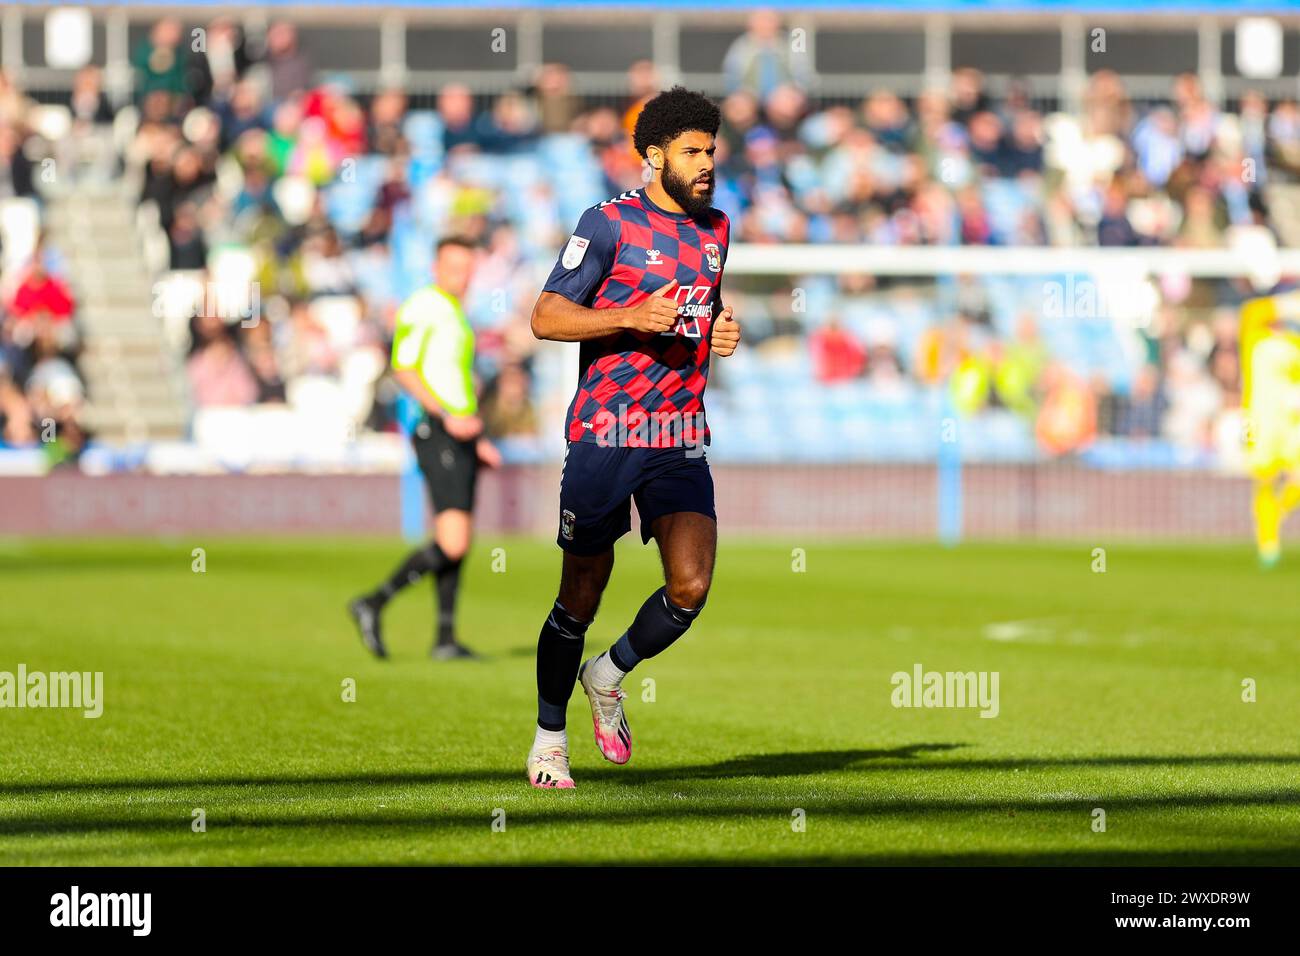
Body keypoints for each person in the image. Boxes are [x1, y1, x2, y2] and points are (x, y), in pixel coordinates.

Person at [523, 87, 741, 789]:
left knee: (692, 585)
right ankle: (548, 740)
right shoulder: (608, 224)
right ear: (654, 156)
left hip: (678, 432)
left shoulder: (718, 230)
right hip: (607, 434)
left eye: (711, 149)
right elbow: (547, 316)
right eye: (692, 151)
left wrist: (722, 329)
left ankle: (608, 675)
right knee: (579, 597)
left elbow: (700, 309)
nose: (707, 162)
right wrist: (626, 318)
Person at [348, 237, 500, 658]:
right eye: (454, 266)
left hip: (461, 434)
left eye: (468, 267)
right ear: (436, 266)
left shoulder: (456, 313)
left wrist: (478, 437)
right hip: (437, 431)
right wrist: (448, 417)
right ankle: (373, 602)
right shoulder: (423, 305)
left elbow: (454, 381)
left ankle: (445, 639)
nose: (462, 275)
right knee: (451, 542)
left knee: (459, 540)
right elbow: (405, 369)